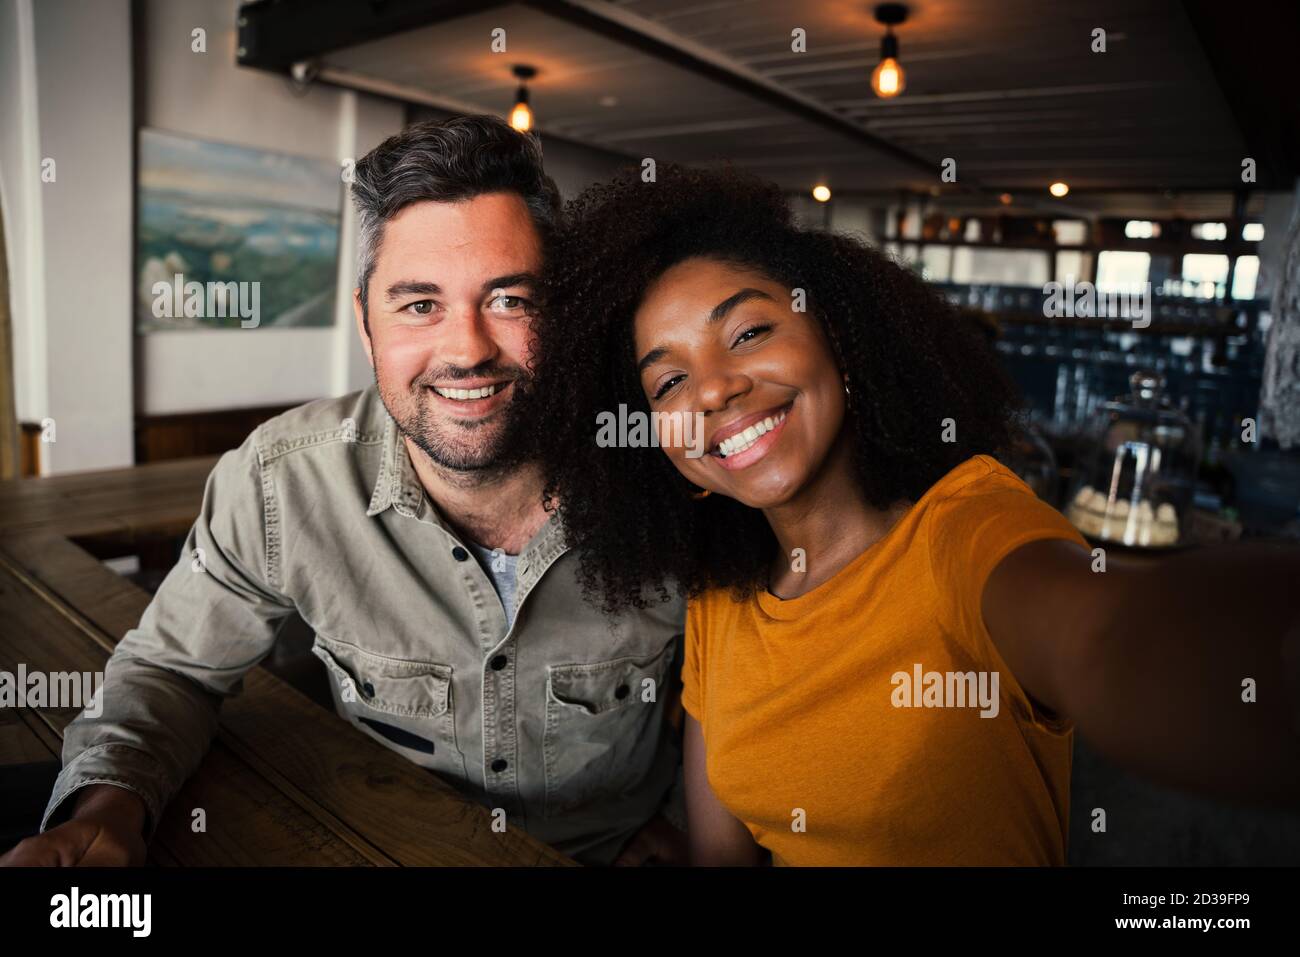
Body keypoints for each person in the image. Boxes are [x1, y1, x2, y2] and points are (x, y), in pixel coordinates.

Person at [526, 163, 1300, 866]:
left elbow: (1108, 637)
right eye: (667, 384)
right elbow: (722, 856)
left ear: (843, 343)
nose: (713, 390)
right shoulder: (719, 599)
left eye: (750, 332)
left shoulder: (965, 530)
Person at [0, 116, 687, 868]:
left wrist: (684, 826)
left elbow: (743, 695)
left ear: (565, 314)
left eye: (509, 300)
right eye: (419, 304)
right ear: (366, 324)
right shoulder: (280, 482)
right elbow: (171, 669)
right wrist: (108, 810)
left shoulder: (671, 478)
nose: (466, 349)